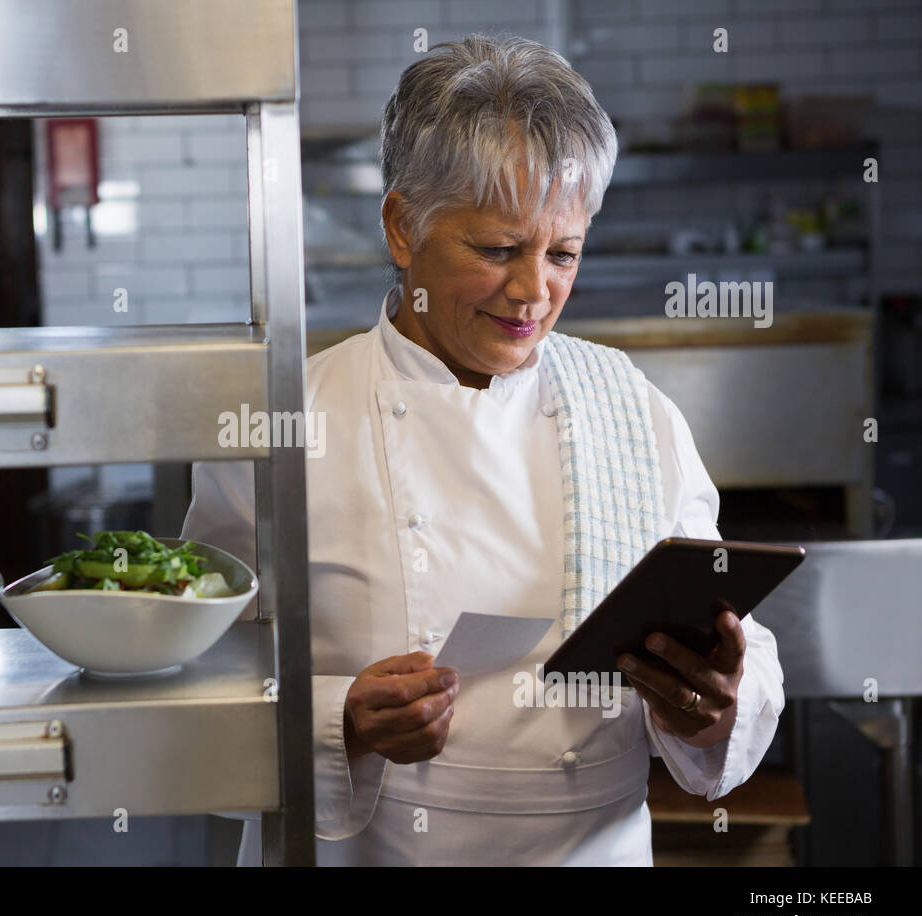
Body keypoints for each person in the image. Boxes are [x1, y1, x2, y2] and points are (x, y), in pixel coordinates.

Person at [181, 34, 783, 866]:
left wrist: (713, 702)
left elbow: (738, 644)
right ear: (402, 227)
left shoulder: (635, 410)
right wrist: (340, 721)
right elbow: (197, 674)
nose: (535, 290)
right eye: (498, 249)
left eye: (563, 252)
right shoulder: (285, 423)